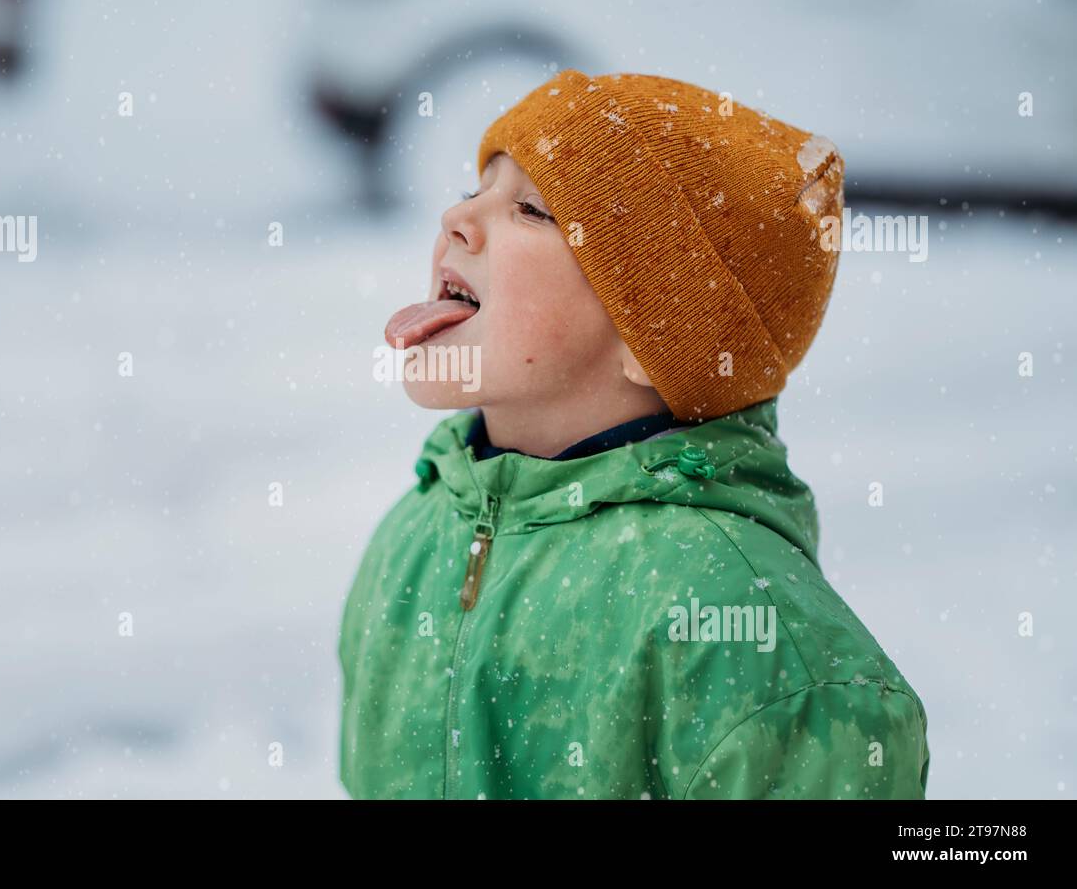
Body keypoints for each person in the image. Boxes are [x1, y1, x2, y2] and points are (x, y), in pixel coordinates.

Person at [338, 69, 930, 799]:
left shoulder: (747, 637)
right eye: (473, 191)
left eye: (530, 209)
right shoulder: (416, 536)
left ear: (653, 339)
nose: (456, 221)